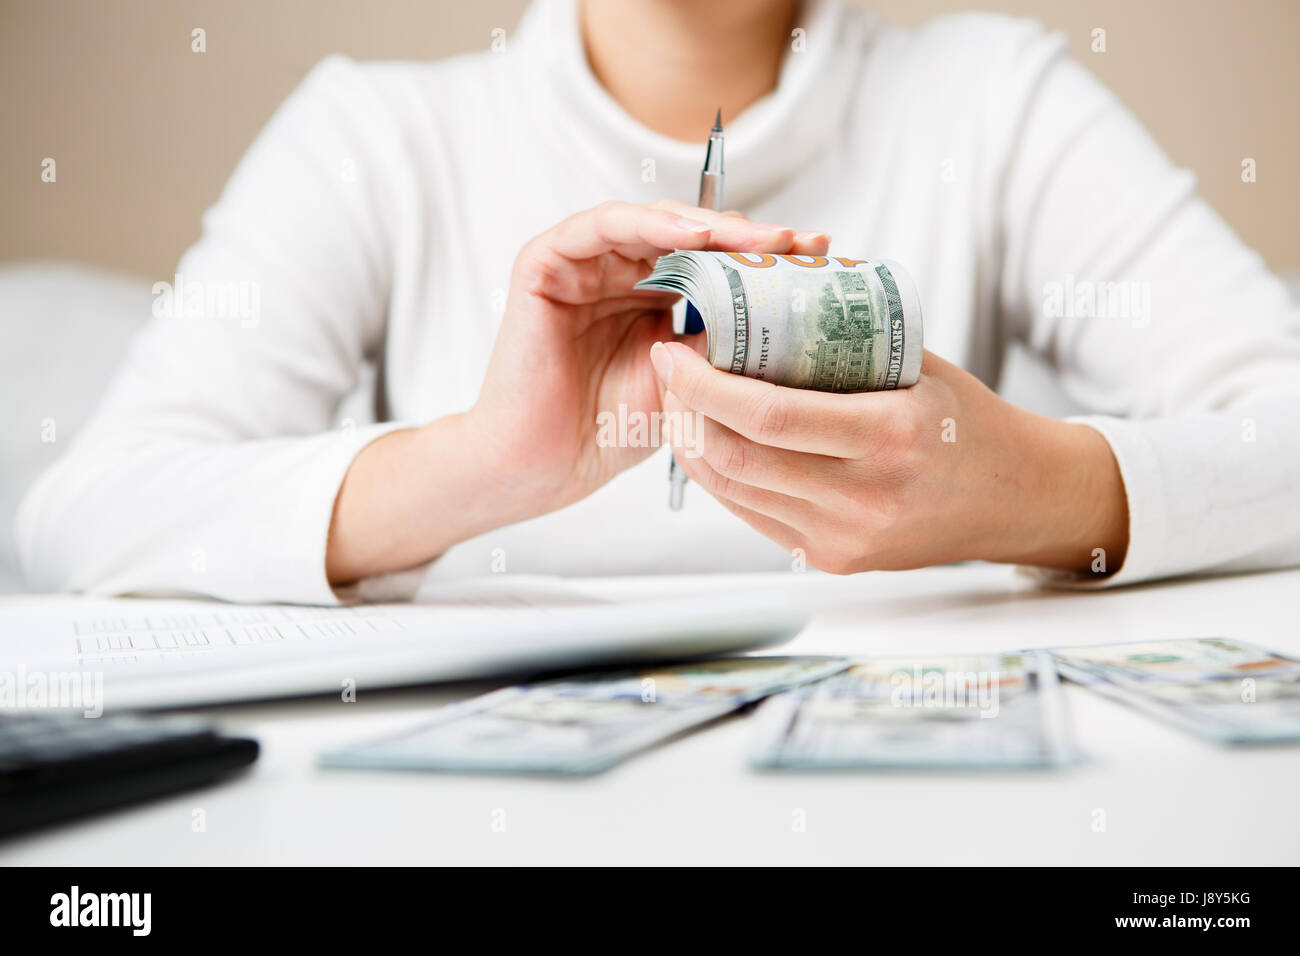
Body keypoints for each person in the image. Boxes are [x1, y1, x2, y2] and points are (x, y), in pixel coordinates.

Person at [16, 0, 1300, 604]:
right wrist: (477, 467)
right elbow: (85, 514)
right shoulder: (376, 136)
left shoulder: (994, 100)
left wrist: (1035, 492)